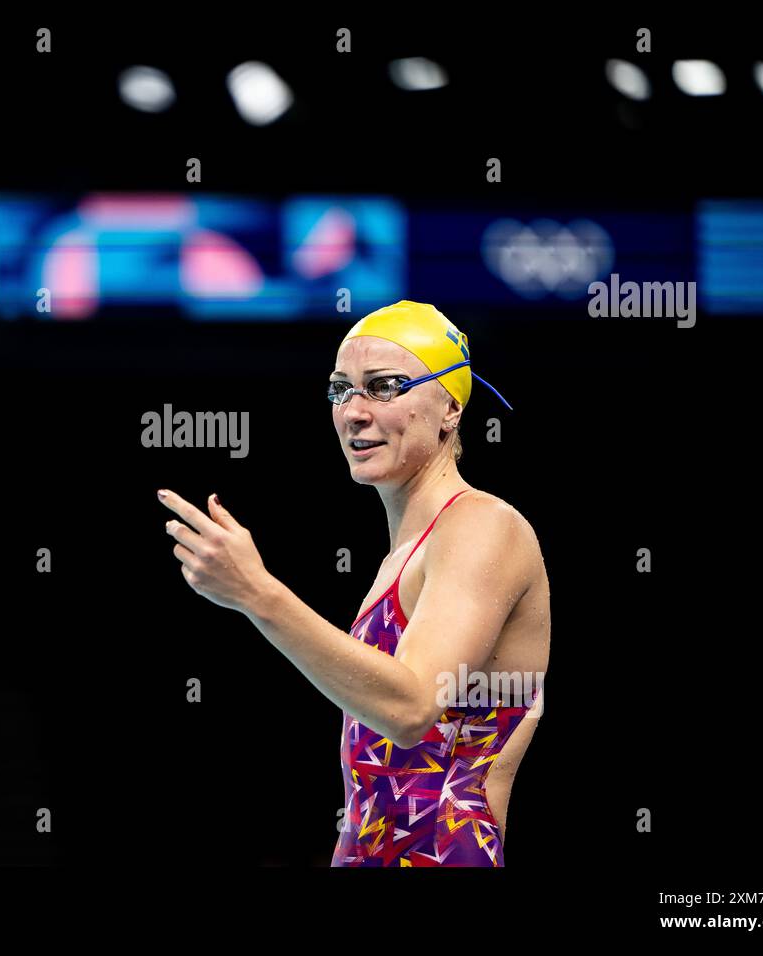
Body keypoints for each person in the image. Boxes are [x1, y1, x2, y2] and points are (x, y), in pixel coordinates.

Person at [157, 300, 550, 866]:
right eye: (341, 390)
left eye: (385, 386)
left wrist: (258, 595)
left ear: (450, 407)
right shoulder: (404, 557)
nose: (354, 412)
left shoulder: (483, 526)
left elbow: (411, 709)